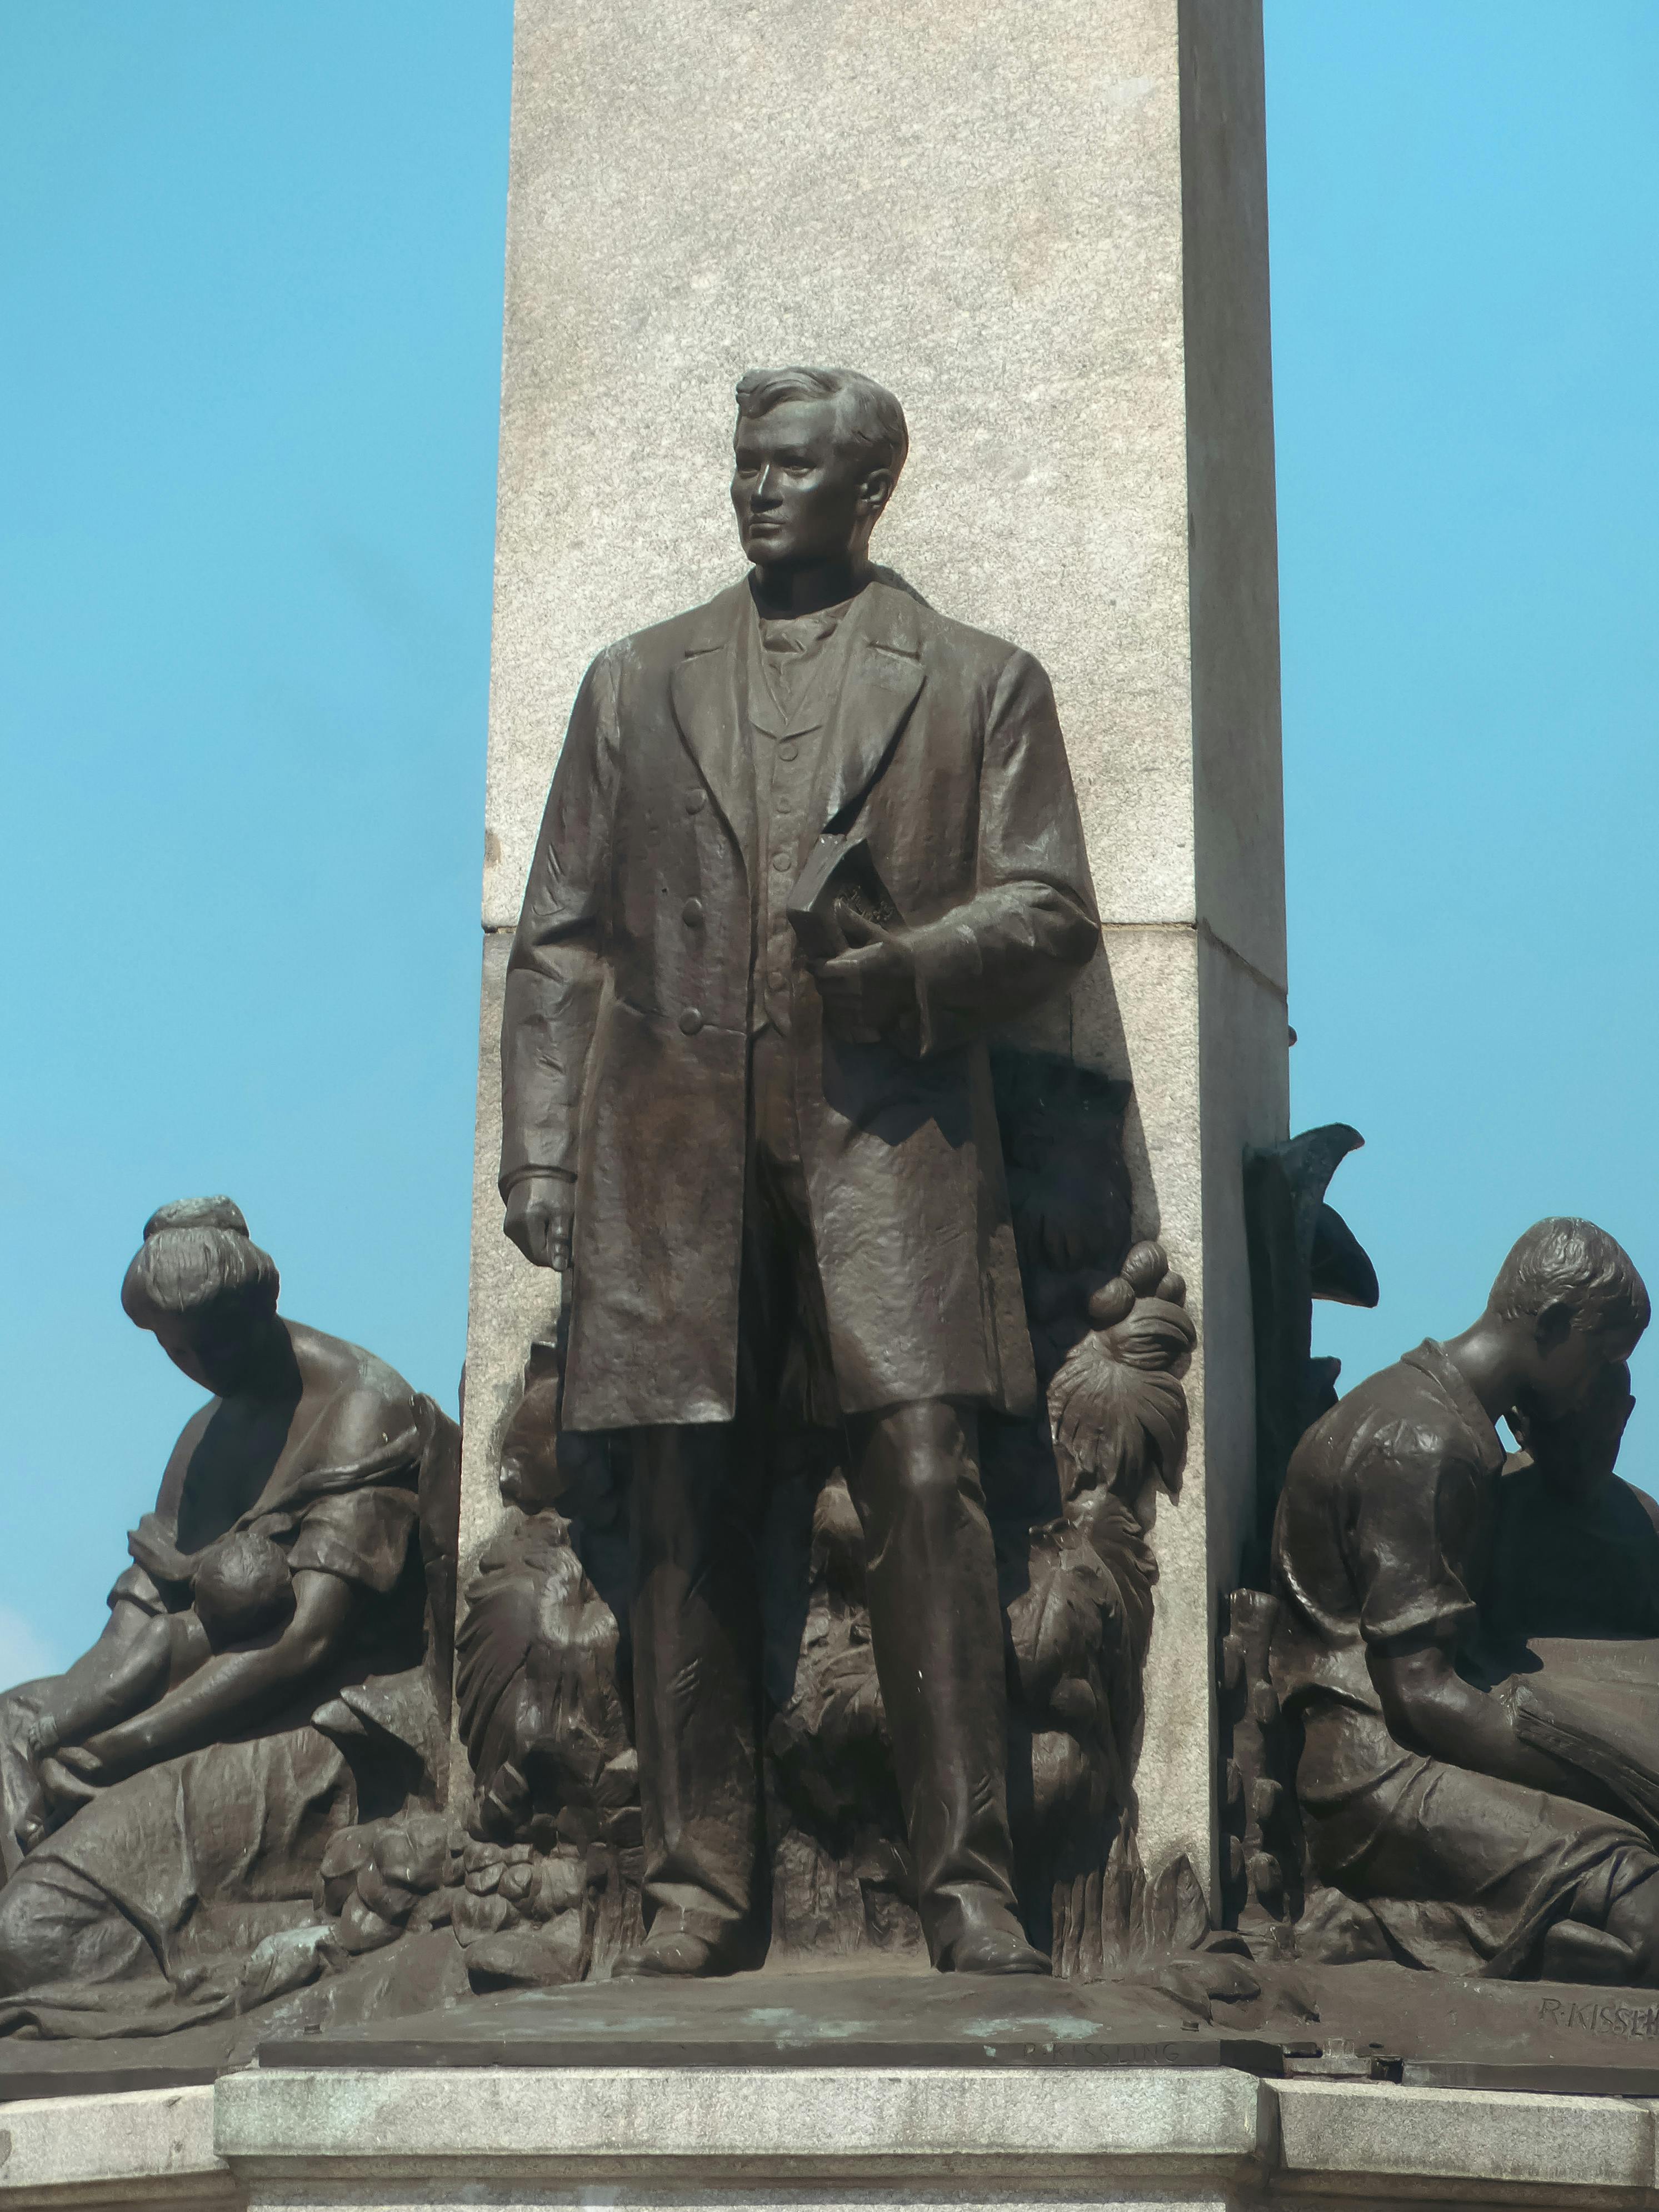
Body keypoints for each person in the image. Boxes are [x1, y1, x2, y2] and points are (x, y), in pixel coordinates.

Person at [499, 367, 1100, 1977]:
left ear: (868, 490)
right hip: (668, 1142)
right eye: (745, 462)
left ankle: (965, 1876)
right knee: (683, 1499)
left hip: (884, 1135)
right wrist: (543, 1146)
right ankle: (698, 1878)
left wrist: (901, 971)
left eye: (793, 466)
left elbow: (1048, 906)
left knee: (925, 1476)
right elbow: (556, 931)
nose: (758, 489)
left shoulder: (977, 681)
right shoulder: (635, 681)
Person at [0, 1197, 453, 2033]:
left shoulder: (360, 1405)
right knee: (8, 1726)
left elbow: (306, 1640)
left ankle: (330, 1921)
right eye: (177, 1350)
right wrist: (47, 1726)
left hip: (325, 1727)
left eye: (218, 1339)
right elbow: (139, 1626)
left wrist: (117, 1749)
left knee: (35, 1930)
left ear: (264, 1305)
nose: (202, 1365)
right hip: (204, 1692)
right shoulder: (204, 1436)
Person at [1271, 1217, 1659, 1983]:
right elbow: (1421, 1697)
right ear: (1550, 1326)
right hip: (1373, 1781)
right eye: (1603, 1357)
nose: (1603, 1387)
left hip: (1407, 1754)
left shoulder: (1440, 1420)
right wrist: (1621, 1776)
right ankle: (1384, 1934)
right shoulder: (1423, 1445)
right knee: (1645, 1909)